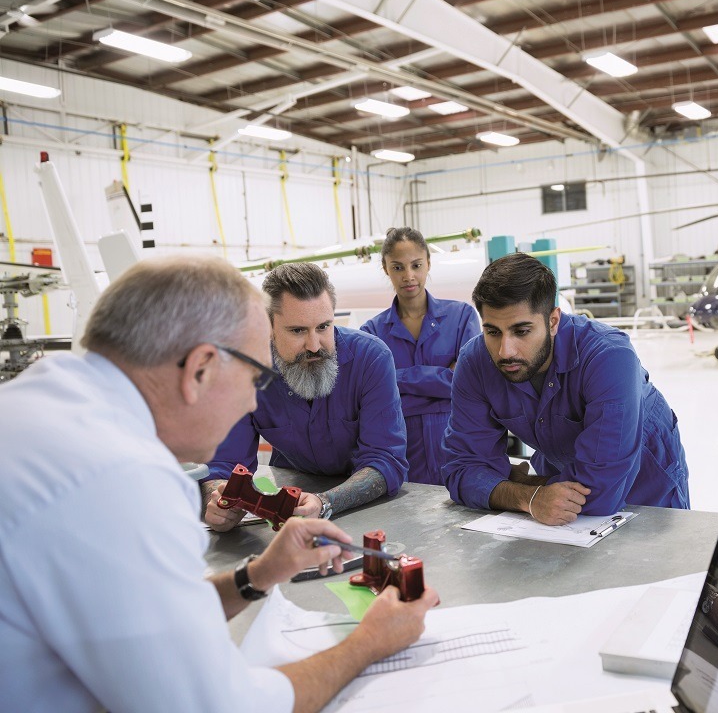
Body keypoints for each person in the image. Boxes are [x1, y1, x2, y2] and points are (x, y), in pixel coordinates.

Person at [0, 255, 438, 712]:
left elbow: (157, 613)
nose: (253, 402)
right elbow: (219, 705)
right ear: (201, 369)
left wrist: (256, 576)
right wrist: (369, 642)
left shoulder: (45, 398)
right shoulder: (127, 480)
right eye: (254, 378)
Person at [441, 252, 690, 524]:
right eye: (492, 332)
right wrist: (530, 497)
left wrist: (518, 487)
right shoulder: (475, 362)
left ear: (553, 321)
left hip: (649, 480)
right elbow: (461, 470)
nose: (505, 351)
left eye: (521, 331)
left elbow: (601, 491)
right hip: (559, 480)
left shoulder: (609, 357)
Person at [201, 262, 407, 531]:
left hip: (369, 510)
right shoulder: (245, 370)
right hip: (289, 500)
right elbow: (224, 464)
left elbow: (385, 459)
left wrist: (325, 502)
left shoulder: (371, 358)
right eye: (297, 330)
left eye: (323, 327)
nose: (314, 345)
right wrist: (220, 499)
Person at [360, 227, 481, 484]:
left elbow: (465, 383)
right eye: (398, 267)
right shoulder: (371, 332)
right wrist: (441, 380)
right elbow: (371, 396)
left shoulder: (462, 317)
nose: (409, 276)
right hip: (401, 450)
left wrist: (397, 378)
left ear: (428, 263)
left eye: (416, 265)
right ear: (386, 269)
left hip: (457, 442)